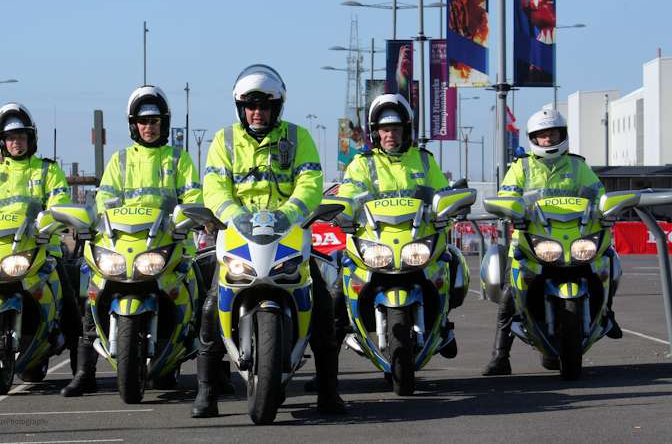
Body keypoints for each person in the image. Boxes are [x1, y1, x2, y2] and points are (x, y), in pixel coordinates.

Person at [191, 64, 345, 418]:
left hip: (287, 234)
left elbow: (309, 182)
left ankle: (328, 390)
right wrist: (230, 214)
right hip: (238, 235)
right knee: (212, 302)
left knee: (322, 302)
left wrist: (292, 212)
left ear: (277, 107)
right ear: (240, 107)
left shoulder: (298, 137)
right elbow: (213, 186)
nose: (257, 112)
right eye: (250, 106)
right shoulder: (223, 141)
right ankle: (206, 391)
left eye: (264, 106)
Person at [61, 85, 203, 396]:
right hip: (124, 246)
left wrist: (185, 218)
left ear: (163, 123)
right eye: (143, 121)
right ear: (133, 125)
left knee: (203, 291)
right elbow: (103, 201)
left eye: (154, 121)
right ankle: (85, 372)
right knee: (92, 291)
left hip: (171, 245)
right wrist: (92, 221)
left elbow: (194, 195)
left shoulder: (179, 159)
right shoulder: (121, 161)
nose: (148, 127)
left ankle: (214, 372)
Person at [481, 108, 622, 376]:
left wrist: (607, 209)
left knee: (607, 264)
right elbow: (506, 195)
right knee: (511, 293)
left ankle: (608, 314)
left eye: (552, 133)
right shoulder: (521, 167)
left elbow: (600, 196)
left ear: (562, 135)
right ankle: (500, 355)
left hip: (574, 239)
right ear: (534, 138)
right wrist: (511, 208)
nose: (548, 139)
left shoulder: (577, 166)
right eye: (542, 135)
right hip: (531, 242)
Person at [0, 103, 80, 387]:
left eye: (22, 137)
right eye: (11, 138)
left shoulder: (48, 171)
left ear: (31, 139)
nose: (17, 143)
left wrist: (50, 221)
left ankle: (81, 367)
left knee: (70, 292)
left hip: (40, 250)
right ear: (2, 143)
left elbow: (59, 205)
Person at [335, 93, 463, 358]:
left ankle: (444, 325)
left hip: (417, 239)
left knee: (451, 264)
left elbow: (442, 193)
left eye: (395, 128)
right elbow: (347, 195)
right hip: (375, 241)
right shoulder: (361, 164)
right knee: (336, 288)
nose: (390, 134)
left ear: (406, 130)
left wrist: (450, 206)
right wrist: (342, 212)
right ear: (375, 133)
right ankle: (329, 368)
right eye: (384, 129)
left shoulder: (424, 160)